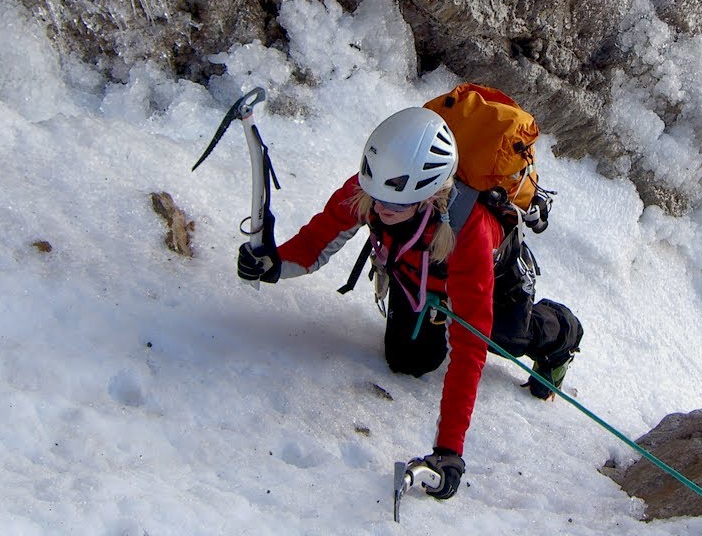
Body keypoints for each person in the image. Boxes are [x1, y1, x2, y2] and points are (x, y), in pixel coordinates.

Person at [235, 106, 583, 500]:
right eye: (376, 198)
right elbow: (320, 237)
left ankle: (562, 334)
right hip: (417, 278)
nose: (381, 209)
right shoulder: (374, 188)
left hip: (492, 284)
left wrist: (449, 450)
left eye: (396, 204)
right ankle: (436, 317)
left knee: (505, 339)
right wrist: (274, 264)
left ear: (430, 194)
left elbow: (469, 347)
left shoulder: (470, 231)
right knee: (408, 361)